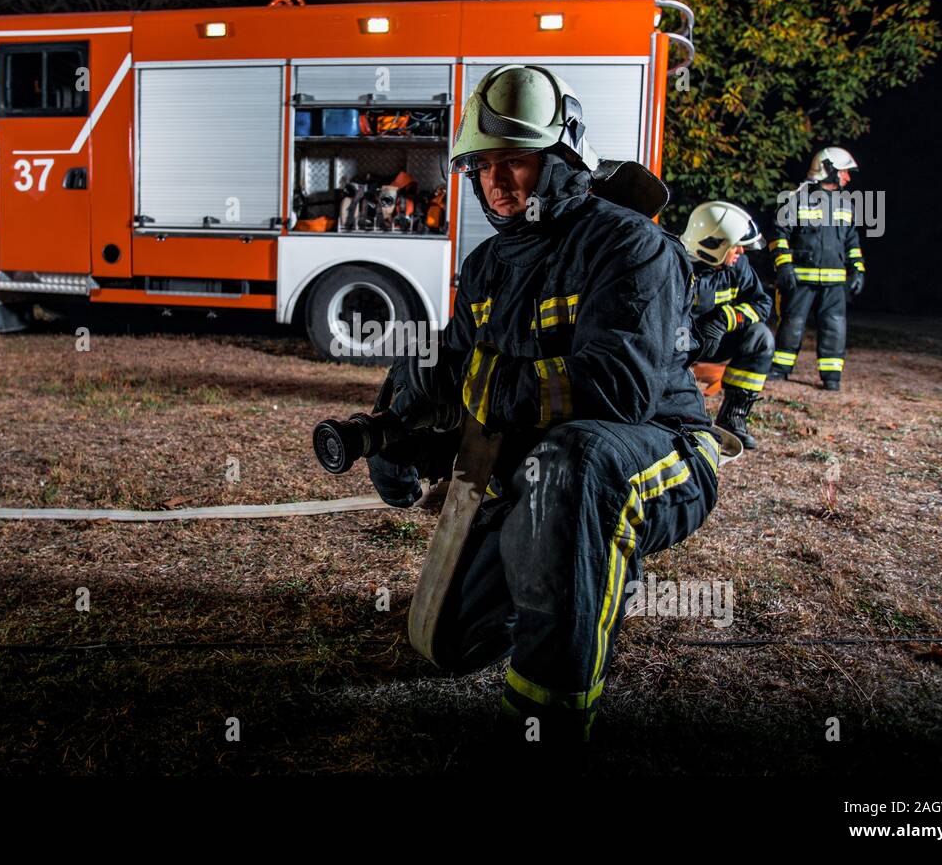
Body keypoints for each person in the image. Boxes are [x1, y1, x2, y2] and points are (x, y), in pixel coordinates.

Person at [366, 64, 720, 749]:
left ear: (561, 159)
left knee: (577, 462)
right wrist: (400, 429)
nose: (496, 180)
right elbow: (456, 378)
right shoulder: (490, 265)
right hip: (536, 469)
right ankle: (564, 575)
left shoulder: (631, 246)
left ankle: (550, 722)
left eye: (516, 160)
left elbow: (618, 390)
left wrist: (479, 381)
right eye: (482, 164)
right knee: (447, 640)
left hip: (657, 453)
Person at [768, 147, 867, 390]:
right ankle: (779, 369)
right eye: (844, 172)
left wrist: (858, 270)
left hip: (834, 282)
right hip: (800, 278)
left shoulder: (846, 204)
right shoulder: (798, 199)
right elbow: (779, 236)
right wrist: (784, 267)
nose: (848, 178)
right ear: (829, 169)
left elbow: (852, 241)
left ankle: (831, 378)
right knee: (792, 323)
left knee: (834, 326)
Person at [681, 200, 774, 449]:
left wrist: (725, 319)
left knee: (760, 337)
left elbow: (762, 304)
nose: (742, 253)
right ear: (713, 244)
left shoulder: (737, 267)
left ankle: (732, 419)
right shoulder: (675, 265)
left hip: (718, 339)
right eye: (736, 247)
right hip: (678, 343)